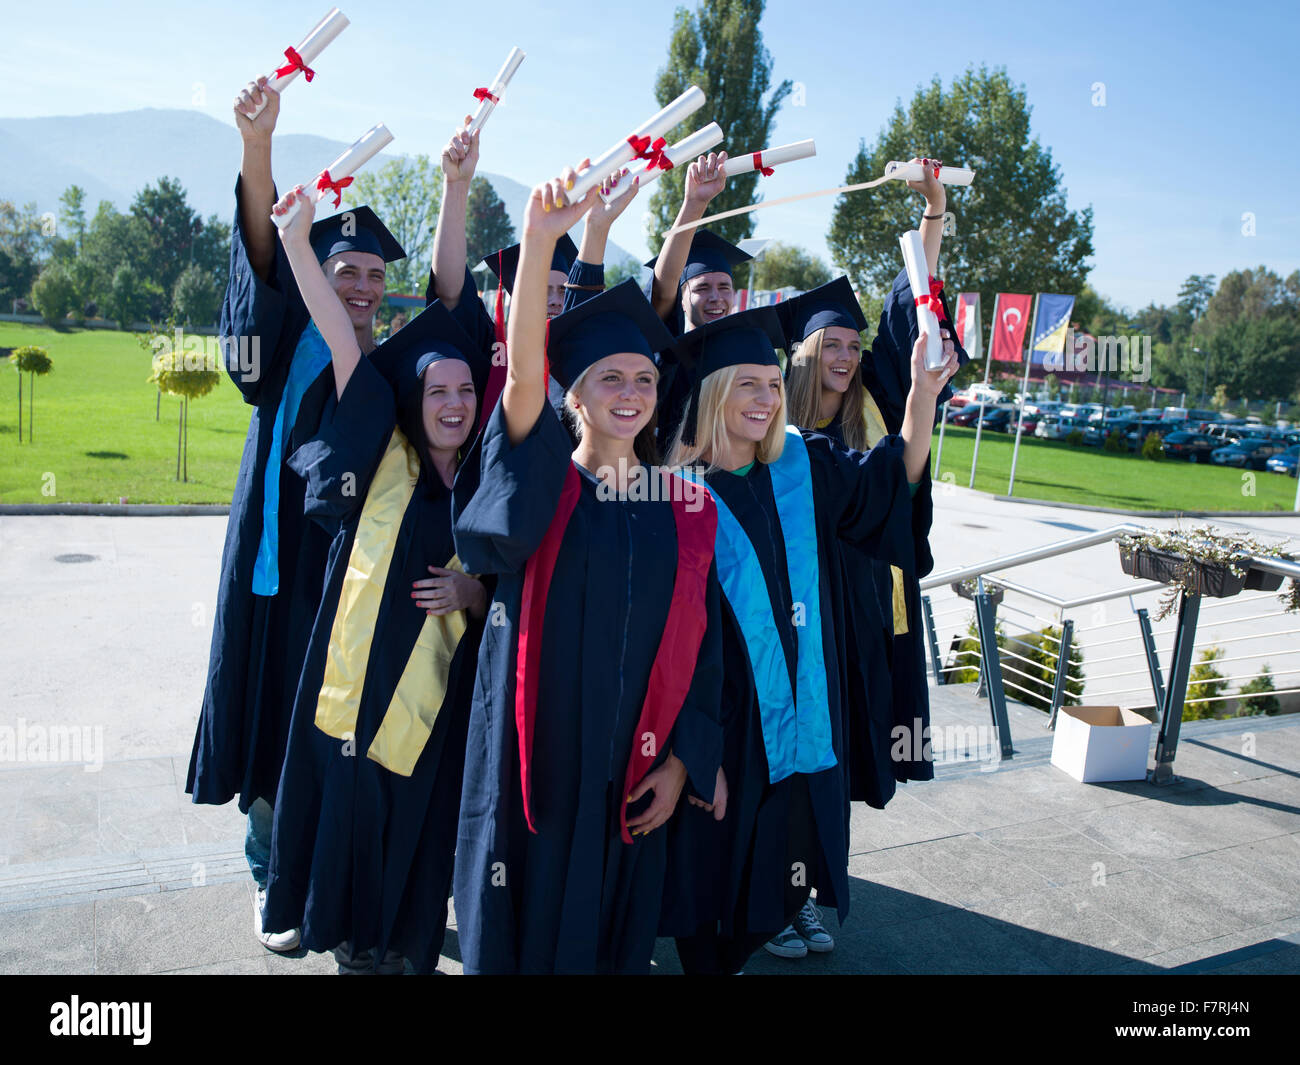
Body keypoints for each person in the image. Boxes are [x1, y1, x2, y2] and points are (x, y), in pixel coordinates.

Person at [450, 169, 725, 974]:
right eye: (609, 377)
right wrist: (540, 242)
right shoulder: (546, 480)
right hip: (538, 769)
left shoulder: (683, 504)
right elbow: (524, 376)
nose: (631, 392)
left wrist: (683, 760)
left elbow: (702, 652)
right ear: (573, 392)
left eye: (643, 378)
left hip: (631, 775)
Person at [660, 303, 955, 975]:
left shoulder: (803, 465)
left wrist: (922, 395)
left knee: (774, 889)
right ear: (712, 393)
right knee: (708, 908)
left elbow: (889, 483)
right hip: (724, 738)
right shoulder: (672, 499)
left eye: (772, 383)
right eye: (748, 384)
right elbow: (664, 651)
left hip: (799, 740)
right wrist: (696, 753)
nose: (767, 399)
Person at [186, 76, 407, 953]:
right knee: (275, 708)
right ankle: (269, 867)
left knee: (328, 721)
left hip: (347, 576)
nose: (358, 285)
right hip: (277, 566)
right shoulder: (280, 345)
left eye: (372, 276)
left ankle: (324, 872)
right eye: (343, 268)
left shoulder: (380, 362)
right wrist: (257, 150)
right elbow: (261, 267)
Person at [255, 185, 490, 974]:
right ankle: (352, 939)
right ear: (411, 397)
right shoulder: (383, 449)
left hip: (439, 704)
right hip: (355, 682)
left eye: (465, 390)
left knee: (422, 829)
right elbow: (339, 333)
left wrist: (474, 591)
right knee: (351, 811)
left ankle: (410, 942)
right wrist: (293, 243)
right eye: (437, 390)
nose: (453, 403)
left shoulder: (491, 481)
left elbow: (516, 586)